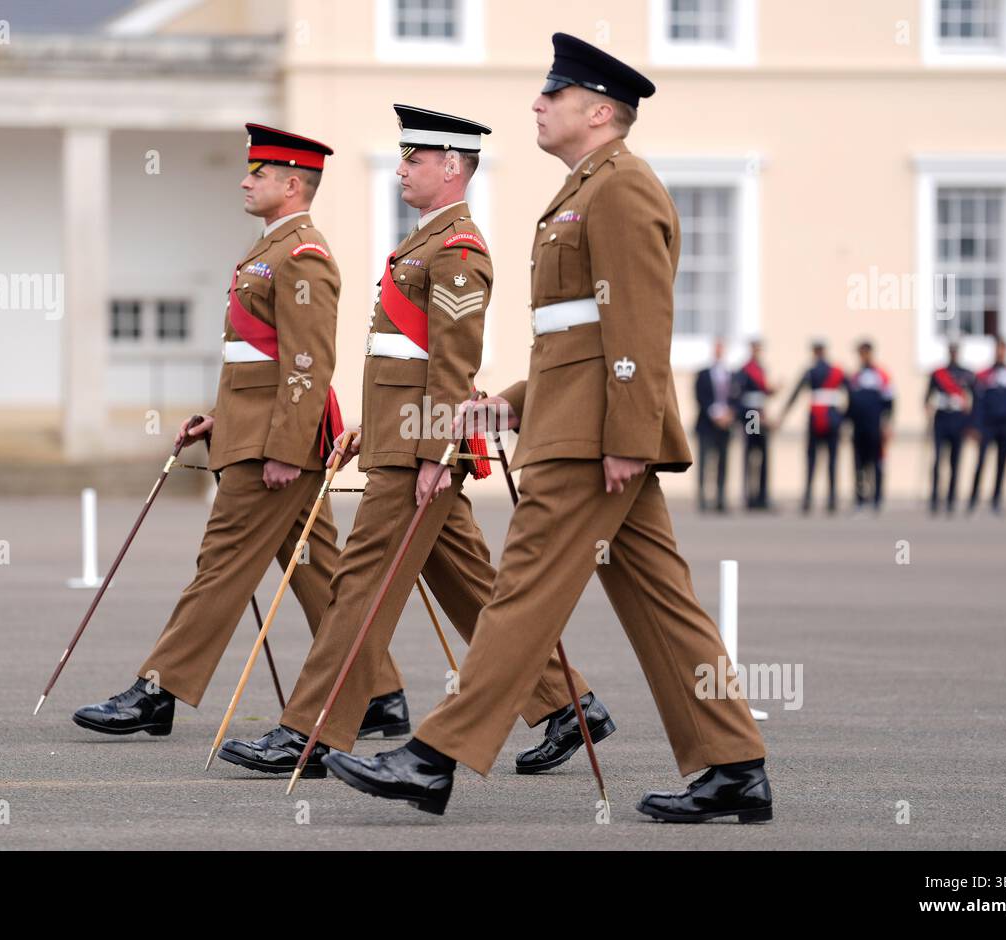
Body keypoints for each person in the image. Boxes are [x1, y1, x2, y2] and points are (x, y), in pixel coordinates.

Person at [320, 35, 770, 822]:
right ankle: (732, 764)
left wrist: (629, 435)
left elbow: (640, 326)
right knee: (660, 598)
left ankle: (435, 756)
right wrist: (513, 403)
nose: (537, 103)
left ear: (599, 112)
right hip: (576, 421)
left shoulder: (620, 188)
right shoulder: (587, 188)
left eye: (553, 95)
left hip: (595, 438)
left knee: (524, 589)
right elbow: (578, 335)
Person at [218, 105, 613, 781]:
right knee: (471, 587)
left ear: (453, 167)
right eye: (403, 158)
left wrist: (432, 454)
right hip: (404, 441)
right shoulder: (426, 243)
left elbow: (453, 366)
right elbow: (405, 360)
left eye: (415, 159)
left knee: (359, 587)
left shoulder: (459, 251)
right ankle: (567, 703)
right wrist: (374, 427)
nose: (401, 169)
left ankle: (310, 732)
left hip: (418, 455)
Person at [69, 125, 407, 738]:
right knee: (319, 569)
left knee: (220, 566)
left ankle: (158, 689)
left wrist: (282, 446)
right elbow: (261, 363)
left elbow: (309, 363)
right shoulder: (271, 249)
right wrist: (221, 419)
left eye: (259, 173)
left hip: (273, 450)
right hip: (258, 435)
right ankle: (379, 691)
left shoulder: (302, 255)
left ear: (293, 183)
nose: (245, 181)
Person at [777, 338, 848, 514]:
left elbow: (796, 393)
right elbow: (850, 392)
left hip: (816, 418)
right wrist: (844, 418)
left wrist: (782, 415)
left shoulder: (811, 371)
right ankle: (831, 499)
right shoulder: (837, 371)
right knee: (832, 460)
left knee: (812, 460)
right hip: (832, 417)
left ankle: (808, 498)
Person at [968, 336, 1006, 514]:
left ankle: (996, 500)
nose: (1000, 352)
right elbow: (977, 403)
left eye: (1003, 349)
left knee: (1002, 463)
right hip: (987, 425)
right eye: (998, 348)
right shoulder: (984, 375)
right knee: (981, 461)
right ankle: (973, 499)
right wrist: (975, 426)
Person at [924, 341, 975, 515]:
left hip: (958, 420)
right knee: (938, 460)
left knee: (955, 462)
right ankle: (934, 499)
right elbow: (927, 397)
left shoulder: (966, 374)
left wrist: (971, 423)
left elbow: (974, 400)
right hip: (941, 419)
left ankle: (951, 499)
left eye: (955, 351)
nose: (953, 354)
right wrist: (929, 406)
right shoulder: (938, 374)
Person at [844, 340, 894, 513]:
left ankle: (878, 498)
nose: (863, 356)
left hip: (875, 426)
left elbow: (890, 402)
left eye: (865, 352)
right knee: (859, 464)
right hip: (859, 427)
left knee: (876, 463)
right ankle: (860, 498)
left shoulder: (881, 375)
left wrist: (887, 424)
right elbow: (850, 405)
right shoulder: (855, 377)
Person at [733, 337, 777, 511]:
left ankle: (762, 495)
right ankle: (750, 495)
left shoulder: (760, 369)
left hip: (760, 413)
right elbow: (740, 396)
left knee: (763, 454)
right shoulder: (746, 370)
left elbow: (763, 394)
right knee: (751, 454)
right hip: (751, 415)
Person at [694, 338, 734, 513]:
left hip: (726, 425)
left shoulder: (731, 374)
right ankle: (702, 497)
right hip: (707, 424)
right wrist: (715, 414)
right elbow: (700, 397)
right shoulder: (703, 374)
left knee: (723, 462)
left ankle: (720, 497)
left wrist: (729, 414)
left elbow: (736, 399)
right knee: (704, 461)